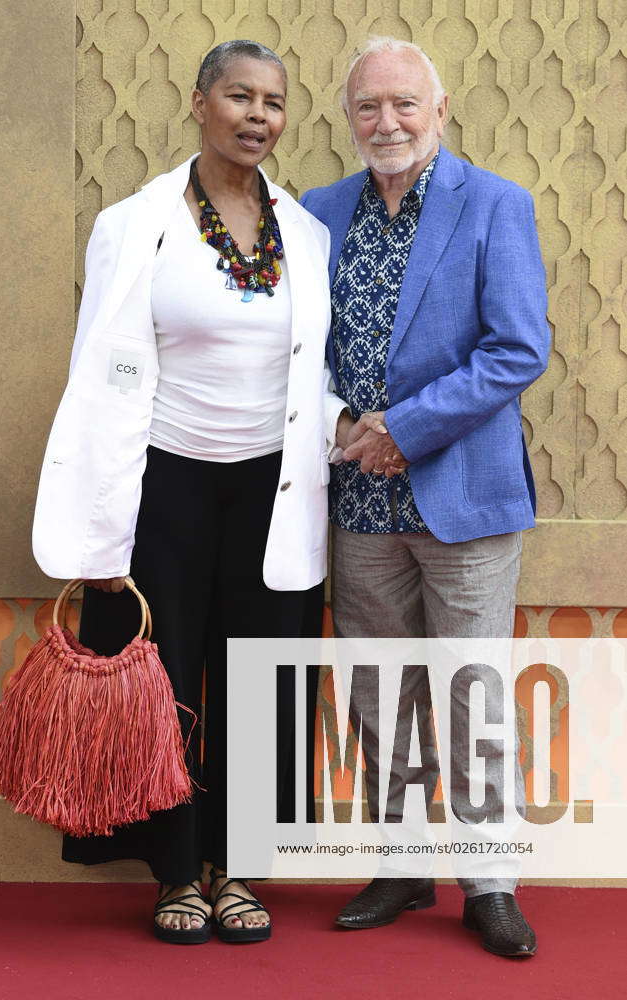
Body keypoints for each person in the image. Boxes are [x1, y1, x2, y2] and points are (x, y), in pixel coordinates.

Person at [32, 39, 346, 945]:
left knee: (262, 680)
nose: (258, 116)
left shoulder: (306, 233)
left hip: (275, 490)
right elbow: (98, 380)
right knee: (162, 681)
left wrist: (343, 425)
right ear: (200, 103)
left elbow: (305, 377)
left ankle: (237, 868)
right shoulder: (136, 224)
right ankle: (176, 871)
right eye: (239, 96)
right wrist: (96, 536)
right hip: (163, 483)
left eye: (274, 102)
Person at [302, 36, 550, 958]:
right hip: (357, 505)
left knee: (471, 693)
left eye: (404, 104)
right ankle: (403, 864)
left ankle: (487, 880)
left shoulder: (493, 204)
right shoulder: (317, 212)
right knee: (379, 693)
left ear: (438, 111)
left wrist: (403, 429)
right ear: (347, 117)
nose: (386, 122)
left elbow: (517, 347)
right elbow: (293, 351)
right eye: (368, 107)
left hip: (461, 501)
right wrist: (339, 425)